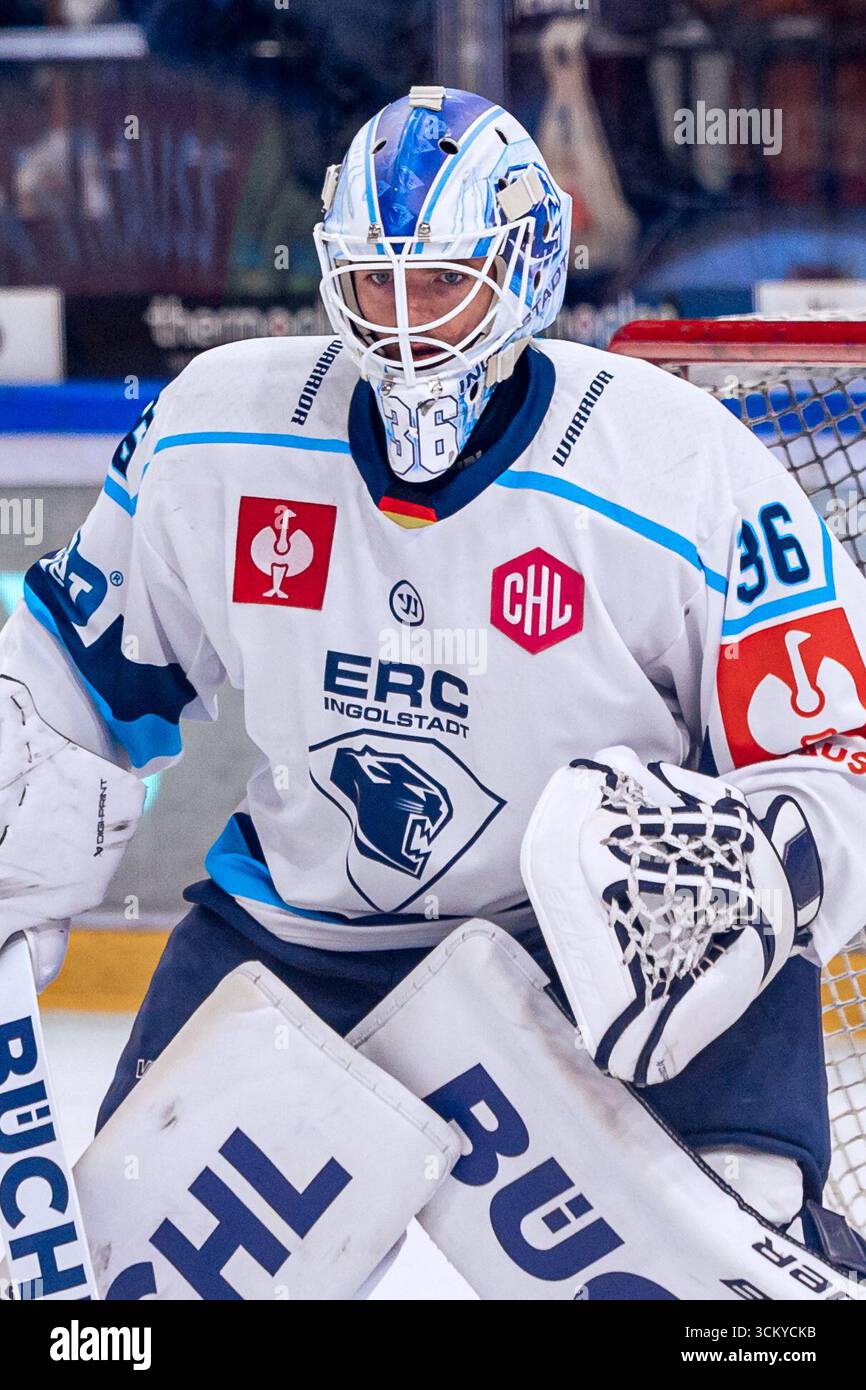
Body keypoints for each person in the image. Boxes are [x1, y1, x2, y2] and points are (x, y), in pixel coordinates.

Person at [2, 85, 866, 1295]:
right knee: (122, 1310)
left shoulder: (679, 469)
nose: (403, 329)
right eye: (375, 284)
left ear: (521, 271)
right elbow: (76, 668)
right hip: (298, 948)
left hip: (590, 961)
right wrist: (19, 772)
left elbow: (829, 753)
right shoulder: (217, 432)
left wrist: (750, 860)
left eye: (441, 284)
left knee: (747, 1285)